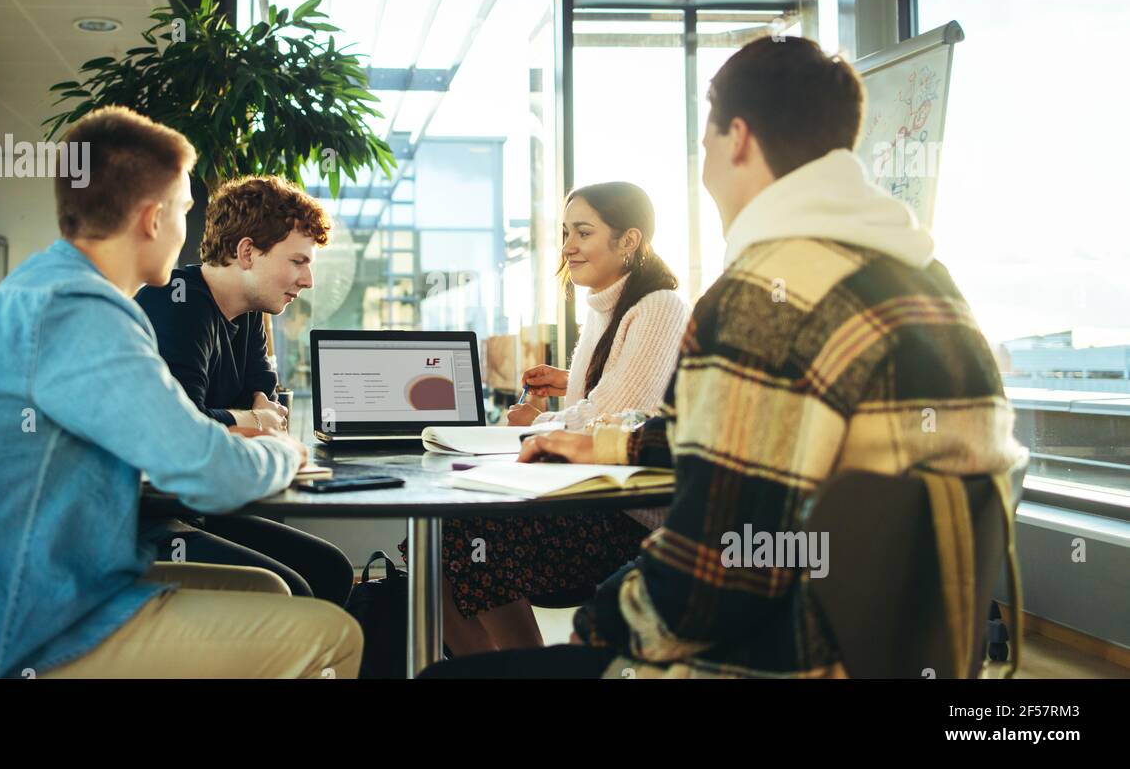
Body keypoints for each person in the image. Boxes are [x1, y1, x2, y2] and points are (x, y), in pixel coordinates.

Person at [420, 36, 1026, 679]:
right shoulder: (929, 282)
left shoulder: (766, 295)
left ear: (736, 137)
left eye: (704, 136)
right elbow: (760, 445)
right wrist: (611, 446)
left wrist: (596, 634)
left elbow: (716, 572)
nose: (701, 156)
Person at [0, 106, 361, 678]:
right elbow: (205, 467)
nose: (190, 232)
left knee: (272, 592)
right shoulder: (79, 311)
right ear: (152, 219)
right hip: (6, 638)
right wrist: (284, 451)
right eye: (183, 212)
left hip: (31, 597)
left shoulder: (46, 291)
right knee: (334, 637)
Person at [408, 182, 690, 656]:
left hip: (631, 510)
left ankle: (526, 670)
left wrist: (530, 428)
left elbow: (614, 420)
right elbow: (599, 402)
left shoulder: (659, 307)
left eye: (583, 232)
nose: (568, 247)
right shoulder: (606, 309)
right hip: (590, 491)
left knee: (464, 533)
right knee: (431, 544)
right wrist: (558, 398)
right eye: (565, 232)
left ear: (629, 241)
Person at [135, 175, 354, 606]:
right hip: (137, 523)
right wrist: (252, 419)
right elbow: (186, 427)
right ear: (247, 252)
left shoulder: (250, 310)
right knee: (294, 588)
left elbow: (263, 391)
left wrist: (251, 415)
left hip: (191, 510)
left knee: (330, 567)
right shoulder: (176, 304)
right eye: (297, 261)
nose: (308, 279)